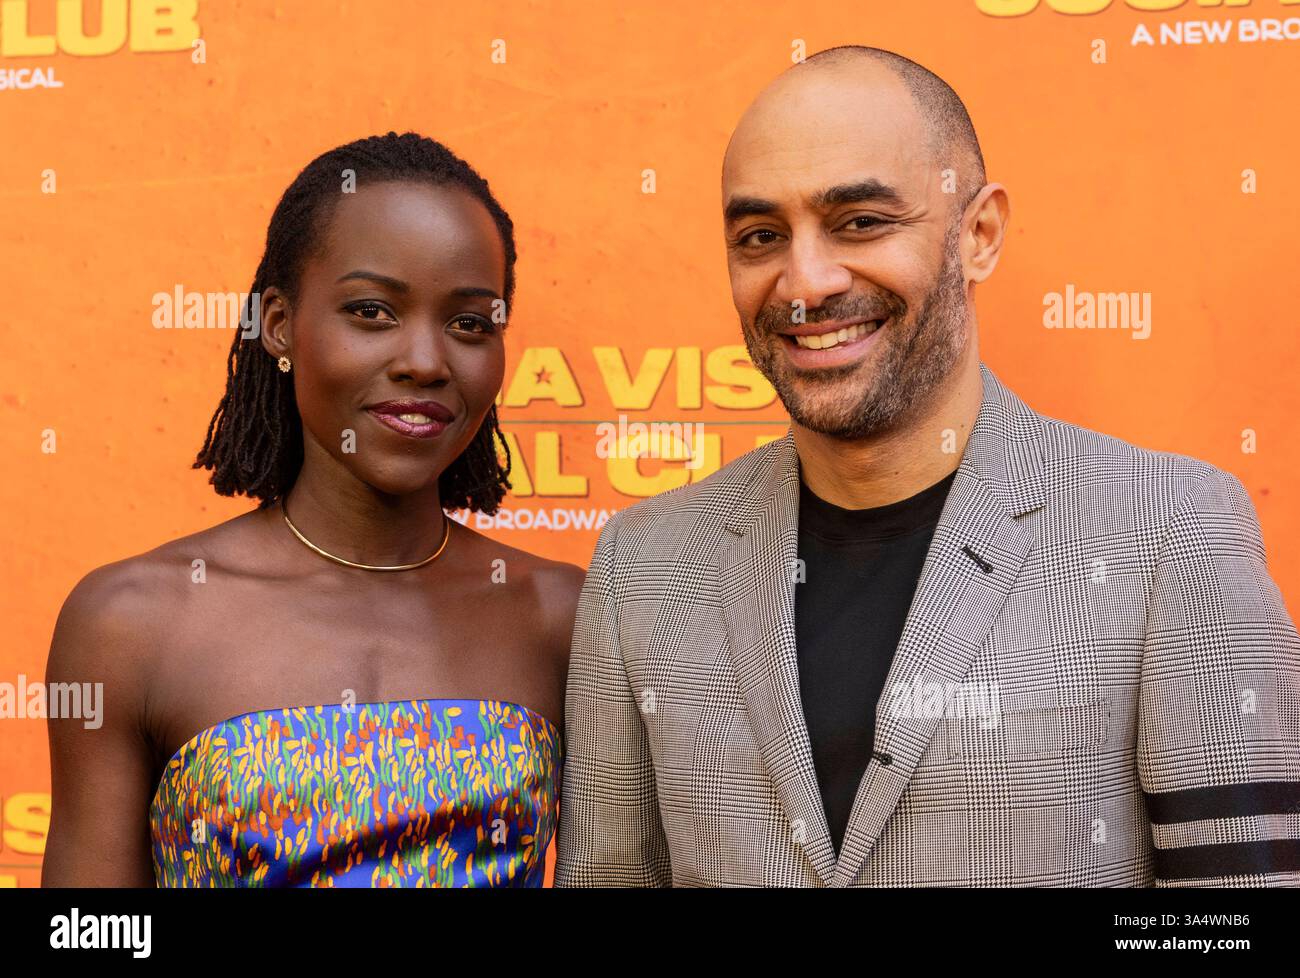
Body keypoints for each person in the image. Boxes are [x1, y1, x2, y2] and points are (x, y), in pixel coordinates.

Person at [555, 47, 1300, 887]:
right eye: (761, 236)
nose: (804, 281)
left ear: (978, 234)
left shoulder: (1170, 531)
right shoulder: (641, 567)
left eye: (861, 222)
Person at [42, 132, 583, 887]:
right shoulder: (132, 623)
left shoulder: (563, 616)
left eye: (469, 324)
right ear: (279, 323)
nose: (425, 361)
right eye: (372, 311)